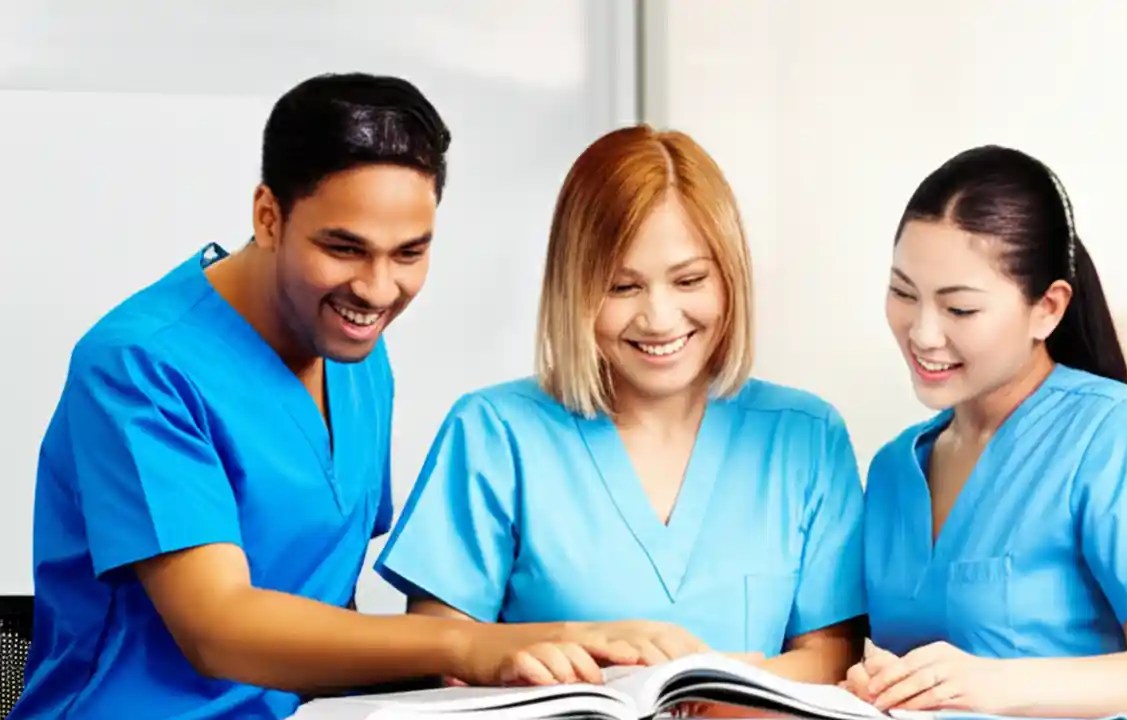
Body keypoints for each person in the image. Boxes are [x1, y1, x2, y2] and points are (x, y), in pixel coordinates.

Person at [12, 74, 699, 720]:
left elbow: (324, 605)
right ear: (268, 215)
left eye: (409, 253)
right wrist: (467, 645)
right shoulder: (139, 365)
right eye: (344, 249)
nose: (376, 289)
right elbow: (217, 629)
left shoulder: (356, 356)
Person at [374, 125, 867, 688]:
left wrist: (706, 685)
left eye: (690, 280)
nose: (660, 318)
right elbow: (443, 657)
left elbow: (834, 656)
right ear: (575, 287)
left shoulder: (804, 438)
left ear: (730, 279)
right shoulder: (494, 433)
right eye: (622, 287)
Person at [845, 145, 1127, 717]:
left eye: (960, 310)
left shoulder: (1121, 437)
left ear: (1047, 308)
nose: (921, 333)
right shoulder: (895, 469)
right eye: (902, 293)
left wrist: (989, 686)